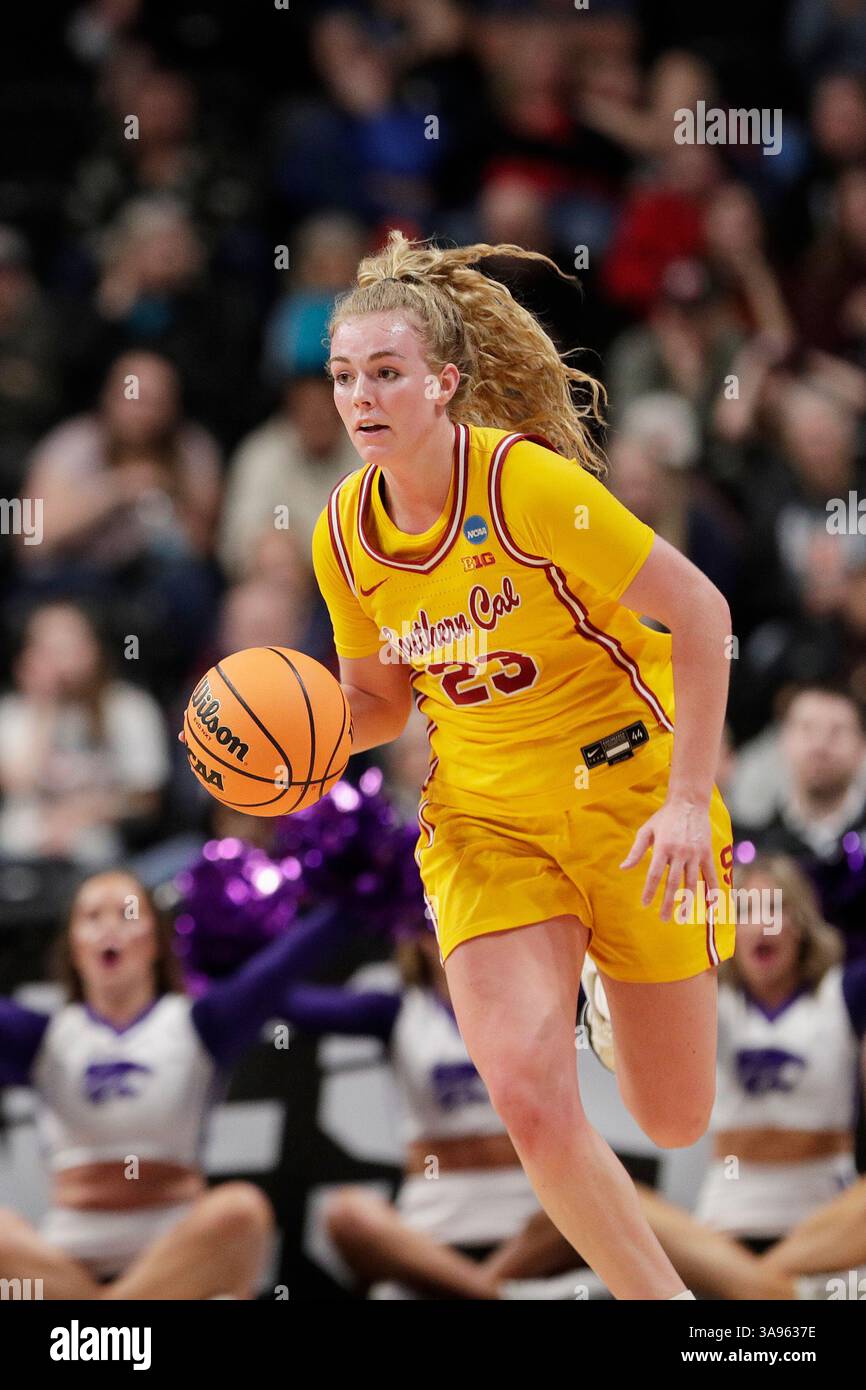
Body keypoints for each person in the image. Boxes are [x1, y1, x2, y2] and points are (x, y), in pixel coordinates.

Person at [310, 230, 736, 1299]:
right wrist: (306, 734)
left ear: (444, 382)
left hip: (632, 796)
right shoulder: (341, 534)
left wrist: (689, 801)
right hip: (484, 819)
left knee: (674, 1115)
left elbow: (700, 612)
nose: (361, 396)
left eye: (386, 372)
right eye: (344, 376)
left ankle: (600, 979)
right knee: (529, 1098)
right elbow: (378, 704)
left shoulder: (524, 486)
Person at [0, 868, 355, 1298]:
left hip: (178, 1249)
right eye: (92, 917)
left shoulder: (197, 1023)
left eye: (127, 914)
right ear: (74, 947)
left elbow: (279, 970)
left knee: (241, 1210)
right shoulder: (43, 1037)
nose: (110, 926)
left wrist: (360, 894)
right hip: (69, 1258)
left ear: (154, 941)